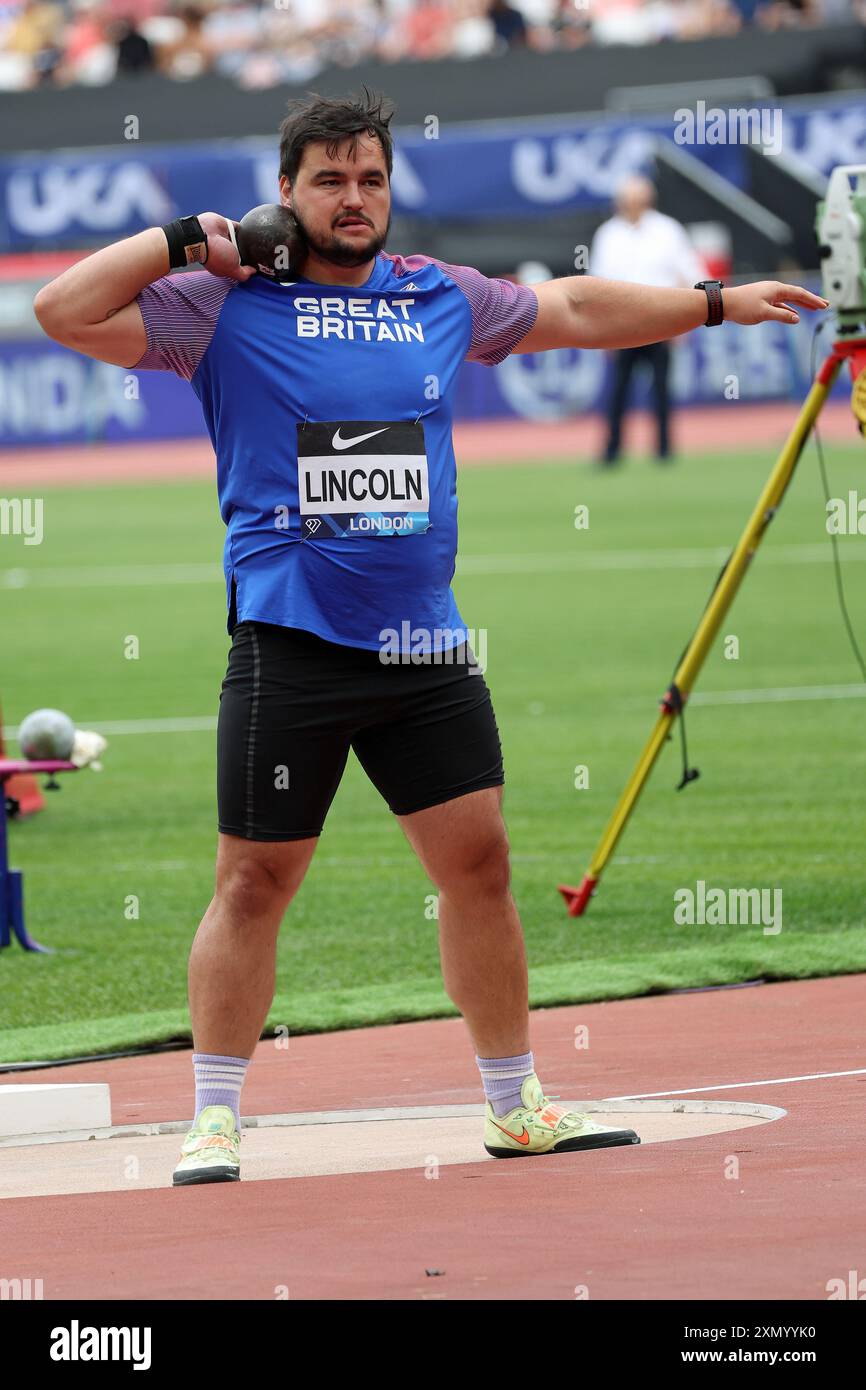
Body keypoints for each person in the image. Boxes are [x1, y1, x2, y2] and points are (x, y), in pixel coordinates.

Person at [33, 89, 826, 1185]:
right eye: (328, 180)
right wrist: (182, 238)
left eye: (369, 179)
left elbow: (576, 311)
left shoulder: (434, 296)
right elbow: (61, 312)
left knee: (481, 867)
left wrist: (712, 301)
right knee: (253, 882)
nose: (353, 199)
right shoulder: (221, 304)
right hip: (290, 638)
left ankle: (514, 1104)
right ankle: (213, 1115)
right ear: (287, 192)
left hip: (421, 646)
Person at [591, 174, 706, 465]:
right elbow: (596, 282)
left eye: (637, 201)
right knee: (619, 390)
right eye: (627, 201)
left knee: (662, 388)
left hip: (662, 319)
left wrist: (688, 318)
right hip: (621, 323)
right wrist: (600, 330)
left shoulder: (668, 230)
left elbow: (690, 273)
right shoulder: (608, 234)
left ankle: (664, 450)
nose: (632, 206)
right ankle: (612, 450)